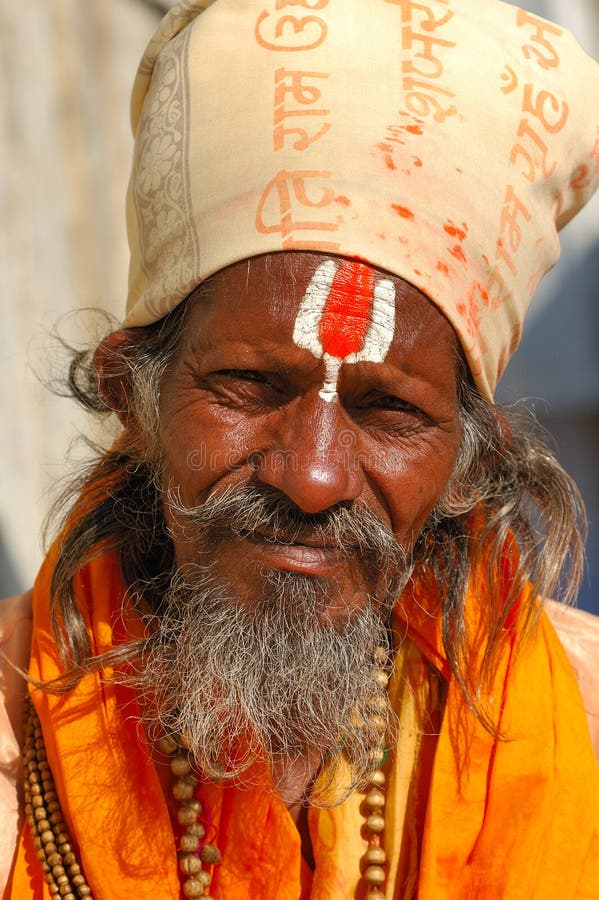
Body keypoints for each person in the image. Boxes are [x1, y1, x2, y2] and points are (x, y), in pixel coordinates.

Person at [1, 0, 599, 896]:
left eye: (389, 410)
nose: (313, 475)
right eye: (249, 387)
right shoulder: (15, 750)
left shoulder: (584, 722)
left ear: (470, 463)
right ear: (135, 394)